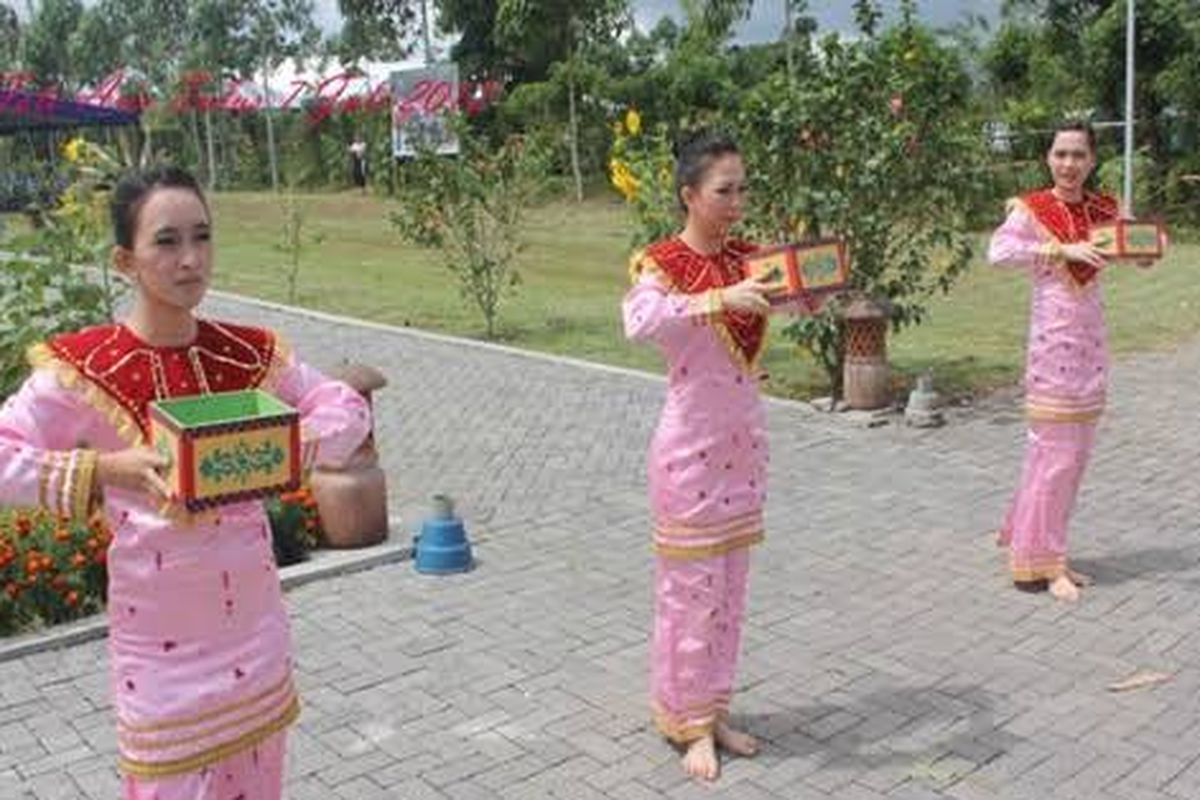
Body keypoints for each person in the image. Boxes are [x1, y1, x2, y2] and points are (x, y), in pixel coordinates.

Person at [0, 165, 371, 797]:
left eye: (202, 237)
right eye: (166, 242)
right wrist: (103, 469)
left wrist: (289, 446)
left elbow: (346, 408)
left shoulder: (245, 354)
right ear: (126, 259)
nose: (190, 259)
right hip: (159, 645)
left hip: (254, 630)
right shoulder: (88, 368)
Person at [621, 132, 820, 781]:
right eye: (723, 190)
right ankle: (686, 722)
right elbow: (639, 321)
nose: (737, 201)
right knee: (689, 594)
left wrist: (814, 284)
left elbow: (794, 289)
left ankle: (717, 709)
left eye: (742, 188)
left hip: (743, 445)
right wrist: (713, 299)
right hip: (688, 452)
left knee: (731, 592)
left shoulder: (748, 259)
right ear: (689, 195)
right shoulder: (662, 263)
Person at [989, 121, 1155, 602]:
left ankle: (1033, 540)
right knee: (1054, 454)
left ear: (1092, 159)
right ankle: (1042, 562)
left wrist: (1143, 253)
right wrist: (1056, 247)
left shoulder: (1104, 208)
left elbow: (1130, 246)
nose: (1069, 164)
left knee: (1073, 453)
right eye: (1061, 154)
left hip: (1090, 342)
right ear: (1048, 158)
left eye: (1078, 154)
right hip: (1052, 342)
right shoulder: (1033, 210)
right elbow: (998, 251)